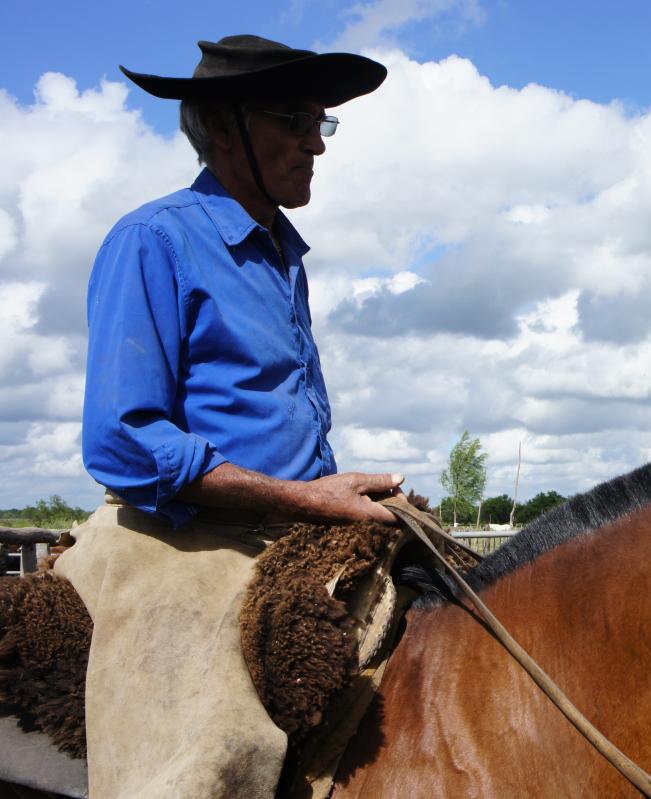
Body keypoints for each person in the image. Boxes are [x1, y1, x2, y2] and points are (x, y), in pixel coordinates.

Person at [52, 35, 397, 799]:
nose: (316, 143)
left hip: (290, 527)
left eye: (322, 122)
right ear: (219, 123)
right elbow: (122, 437)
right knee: (215, 744)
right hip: (180, 538)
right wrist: (304, 496)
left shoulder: (282, 252)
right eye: (295, 119)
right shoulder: (154, 239)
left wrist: (330, 491)